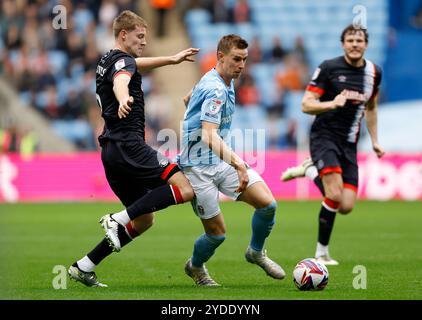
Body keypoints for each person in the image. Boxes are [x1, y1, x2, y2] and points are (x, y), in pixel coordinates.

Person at [68, 10, 199, 287]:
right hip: (129, 146)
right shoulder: (122, 64)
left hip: (112, 152)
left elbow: (133, 66)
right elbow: (122, 81)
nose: (143, 41)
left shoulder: (109, 58)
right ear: (123, 34)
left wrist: (172, 59)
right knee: (185, 189)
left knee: (144, 221)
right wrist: (125, 98)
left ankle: (84, 266)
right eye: (139, 36)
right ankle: (117, 218)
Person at [179, 34, 285, 286]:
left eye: (244, 60)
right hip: (198, 169)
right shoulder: (216, 88)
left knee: (267, 205)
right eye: (236, 59)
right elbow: (208, 135)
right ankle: (195, 266)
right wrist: (239, 165)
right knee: (216, 236)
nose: (241, 65)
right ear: (220, 57)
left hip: (219, 161)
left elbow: (188, 98)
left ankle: (256, 252)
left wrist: (192, 109)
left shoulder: (223, 79)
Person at [280, 25, 385, 266]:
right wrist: (331, 104)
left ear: (366, 44)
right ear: (343, 44)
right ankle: (321, 253)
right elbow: (306, 105)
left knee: (346, 205)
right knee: (334, 194)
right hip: (324, 137)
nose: (355, 44)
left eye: (359, 40)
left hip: (349, 143)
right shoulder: (329, 68)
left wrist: (376, 141)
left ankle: (309, 170)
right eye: (350, 40)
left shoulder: (374, 73)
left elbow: (371, 108)